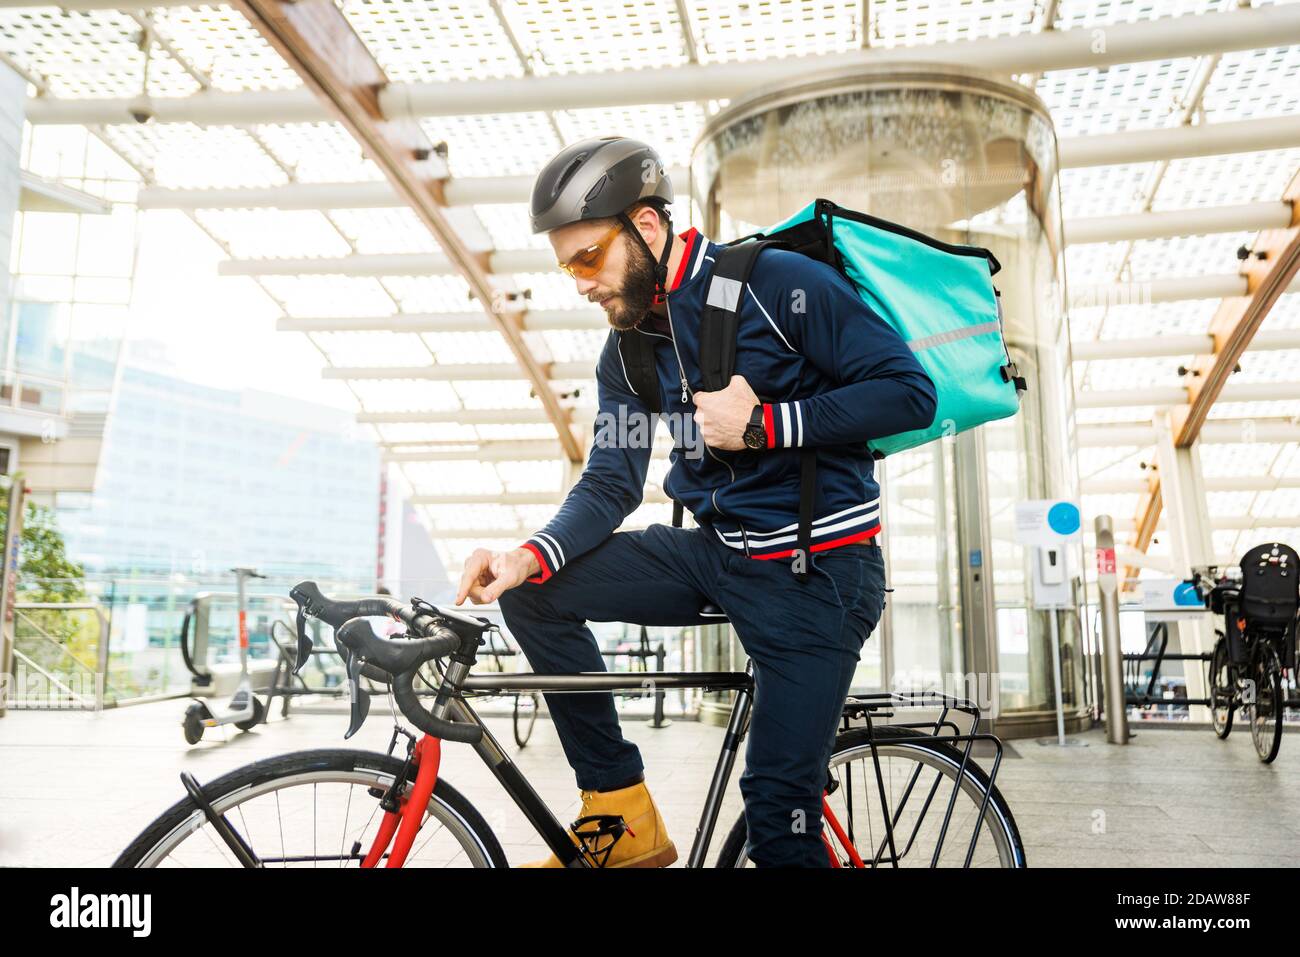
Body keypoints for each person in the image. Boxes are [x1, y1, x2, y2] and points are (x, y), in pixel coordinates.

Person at [456, 136, 937, 868]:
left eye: (589, 258)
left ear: (646, 227)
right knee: (538, 593)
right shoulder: (626, 349)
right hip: (718, 557)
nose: (579, 283)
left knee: (778, 813)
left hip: (819, 572)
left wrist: (766, 424)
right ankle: (622, 815)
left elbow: (909, 391)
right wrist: (526, 556)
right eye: (567, 266)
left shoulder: (776, 284)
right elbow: (612, 480)